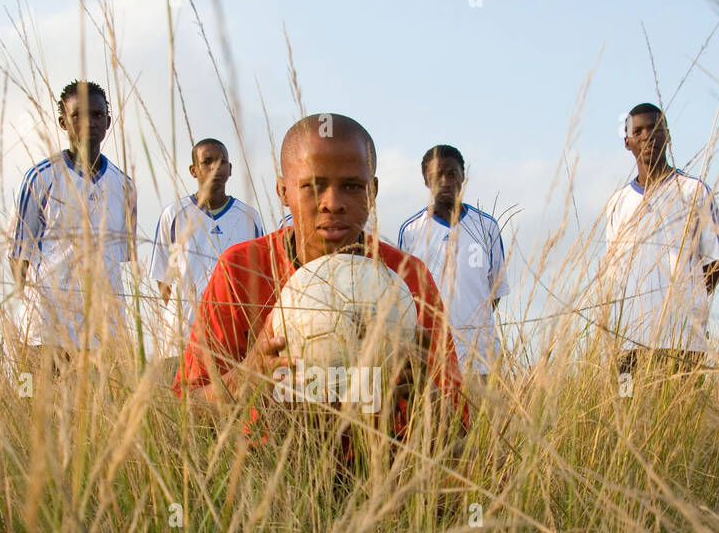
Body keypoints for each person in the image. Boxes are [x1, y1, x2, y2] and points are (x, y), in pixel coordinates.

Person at [173, 113, 468, 445]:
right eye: (313, 187)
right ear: (283, 191)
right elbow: (187, 409)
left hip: (381, 480)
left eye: (352, 186)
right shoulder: (240, 270)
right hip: (266, 482)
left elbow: (458, 428)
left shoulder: (406, 278)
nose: (333, 204)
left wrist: (422, 391)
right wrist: (250, 374)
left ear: (373, 191)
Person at [9, 80, 136, 375]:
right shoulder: (39, 178)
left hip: (104, 335)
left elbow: (121, 260)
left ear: (107, 121)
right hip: (43, 331)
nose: (89, 123)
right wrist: (29, 314)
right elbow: (18, 257)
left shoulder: (125, 186)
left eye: (97, 115)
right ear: (63, 122)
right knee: (29, 405)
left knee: (99, 417)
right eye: (78, 115)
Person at [599, 104, 719, 376]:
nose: (648, 137)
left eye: (655, 129)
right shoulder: (618, 203)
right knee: (626, 405)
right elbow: (614, 273)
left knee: (683, 414)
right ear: (627, 142)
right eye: (639, 131)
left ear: (667, 136)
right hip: (629, 342)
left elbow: (715, 262)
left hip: (683, 339)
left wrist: (687, 302)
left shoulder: (694, 191)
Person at [145, 138, 263, 361]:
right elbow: (163, 279)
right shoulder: (173, 215)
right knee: (177, 395)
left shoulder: (249, 217)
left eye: (222, 162)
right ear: (193, 170)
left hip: (231, 341)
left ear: (230, 170)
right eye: (207, 161)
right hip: (180, 340)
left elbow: (257, 279)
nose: (214, 167)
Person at [397, 145, 508, 381]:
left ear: (463, 177)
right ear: (427, 181)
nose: (446, 181)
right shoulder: (410, 231)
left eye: (452, 174)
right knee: (435, 418)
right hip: (431, 356)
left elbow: (494, 293)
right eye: (438, 175)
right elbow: (402, 294)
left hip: (480, 356)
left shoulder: (487, 227)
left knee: (484, 418)